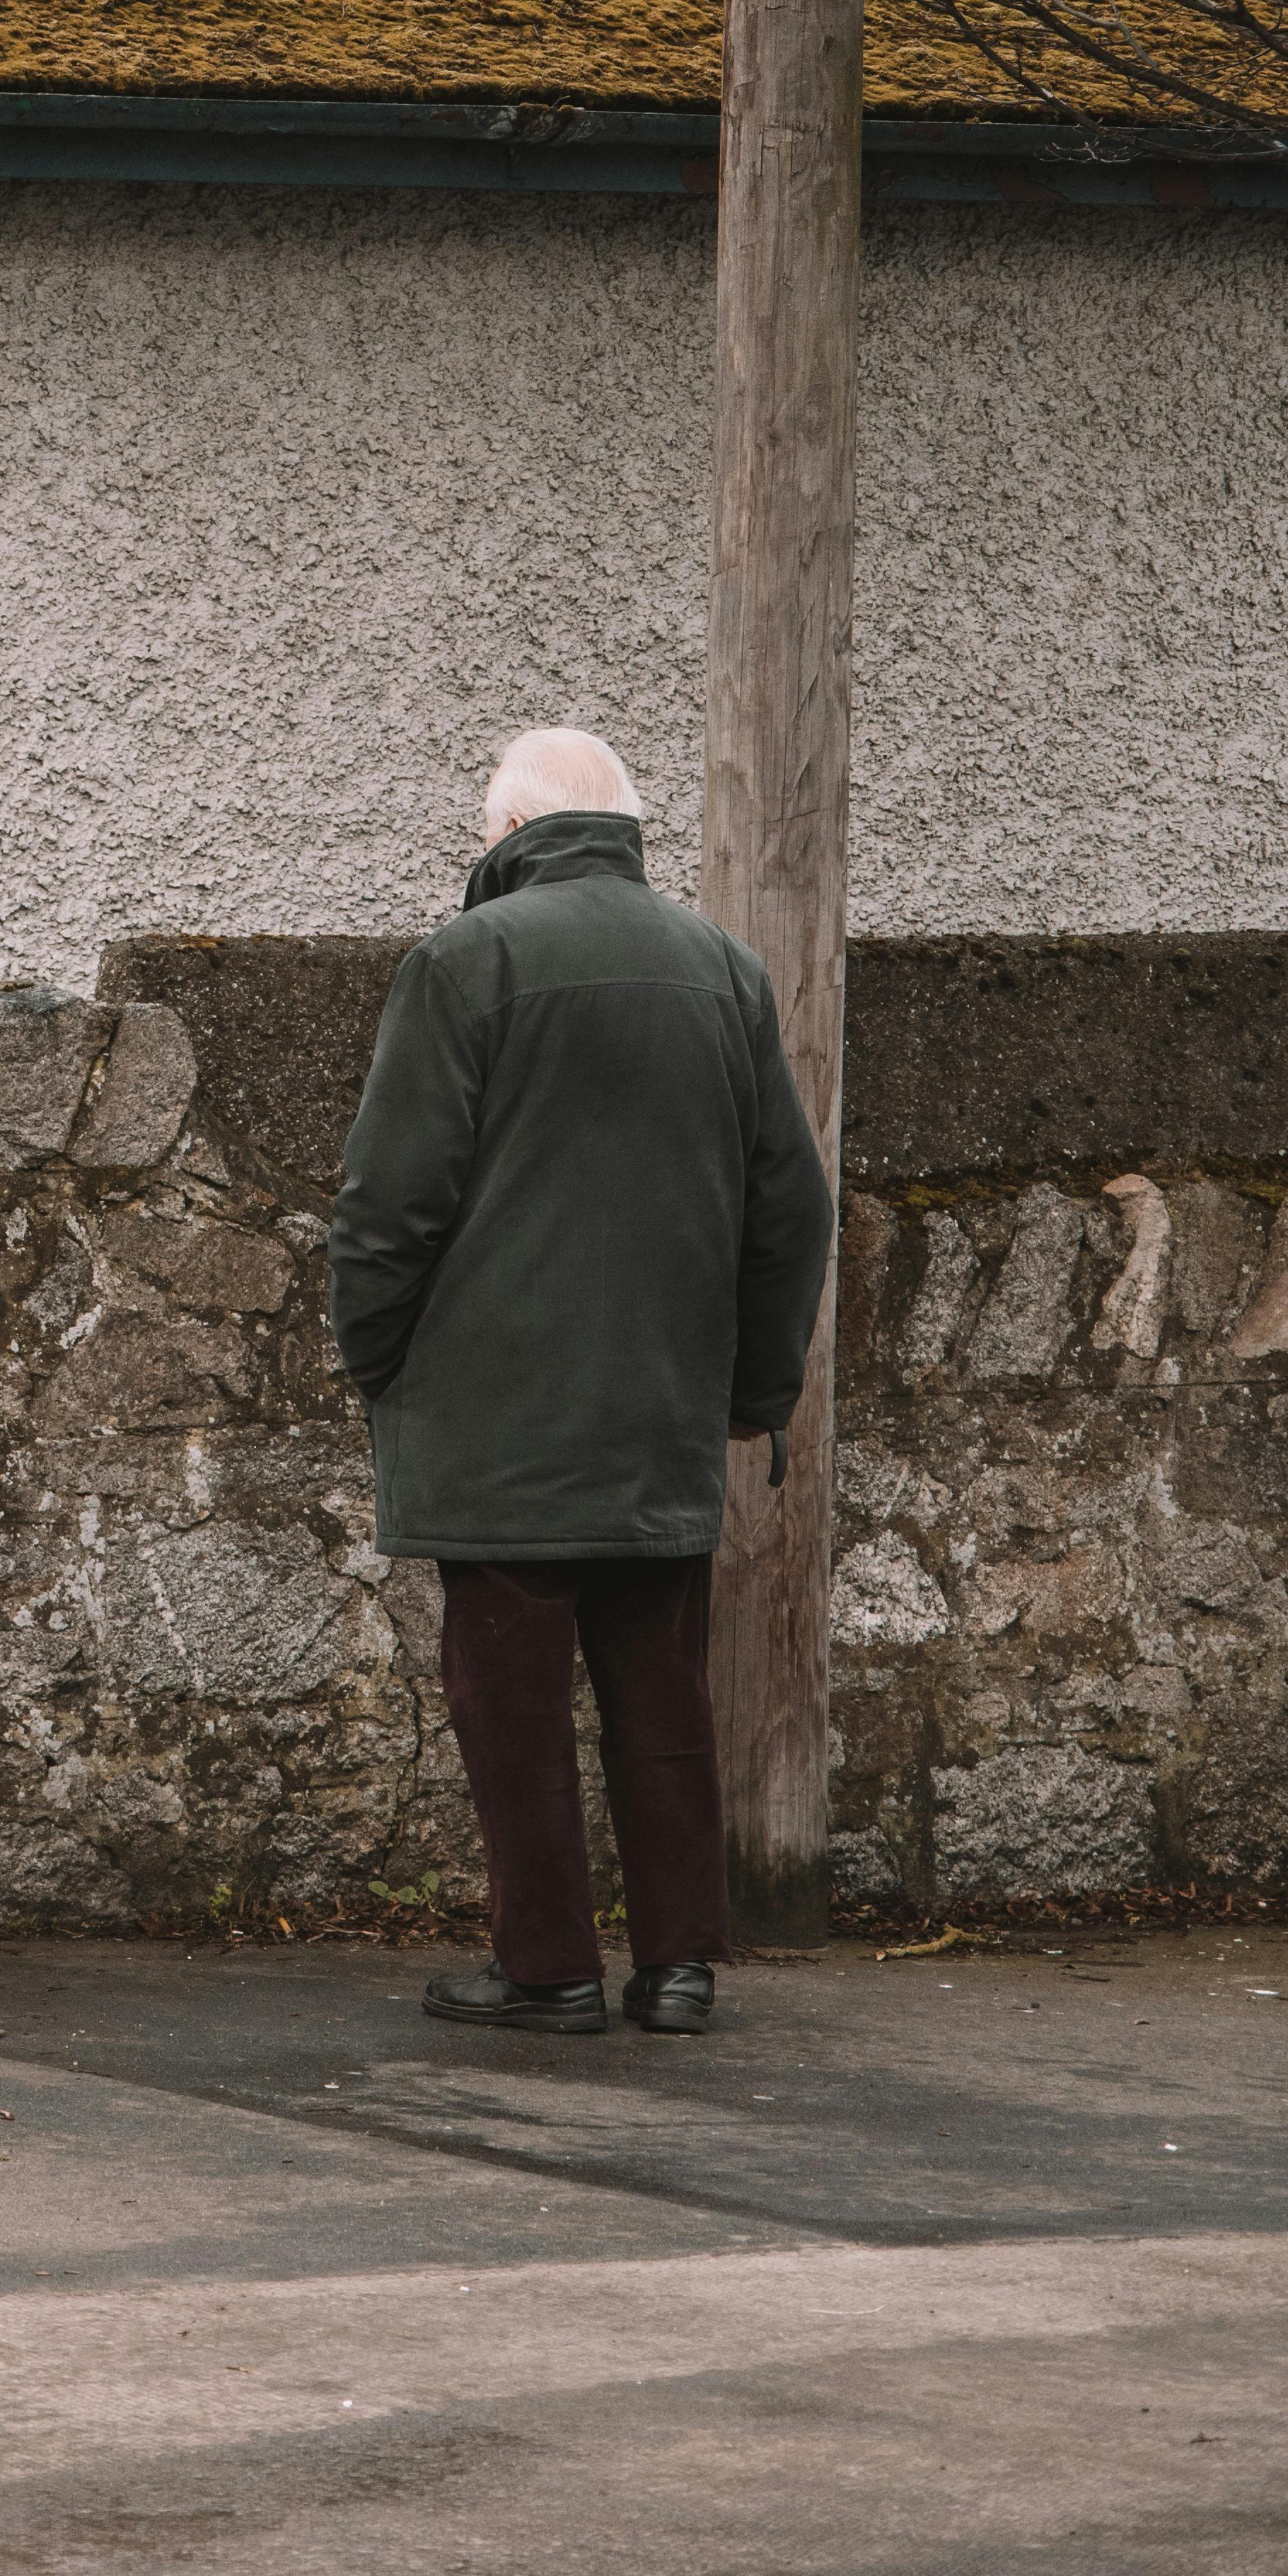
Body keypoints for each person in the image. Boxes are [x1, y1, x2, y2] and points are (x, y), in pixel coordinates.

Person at [329, 724, 835, 2035]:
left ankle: (547, 1967)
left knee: (512, 1705)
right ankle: (679, 1967)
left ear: (505, 835)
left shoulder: (462, 964)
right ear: (623, 828)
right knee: (660, 1697)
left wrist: (378, 1358)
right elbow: (792, 1206)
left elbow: (391, 1200)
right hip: (661, 1408)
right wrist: (753, 1391)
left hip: (496, 1419)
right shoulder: (724, 970)